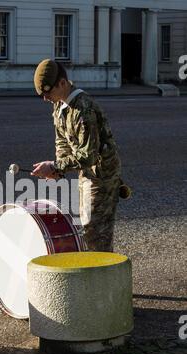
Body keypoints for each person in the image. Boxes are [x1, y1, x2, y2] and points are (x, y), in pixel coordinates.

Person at [31, 58, 123, 252]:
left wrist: (56, 167)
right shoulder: (60, 104)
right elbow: (62, 141)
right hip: (87, 174)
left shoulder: (83, 110)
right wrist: (57, 168)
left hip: (102, 176)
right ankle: (96, 272)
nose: (45, 99)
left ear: (63, 83)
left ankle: (104, 276)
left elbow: (88, 156)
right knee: (88, 228)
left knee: (96, 233)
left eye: (48, 93)